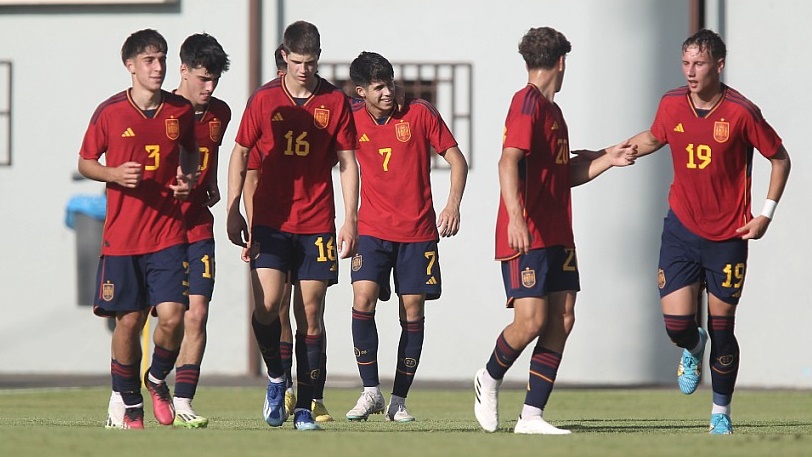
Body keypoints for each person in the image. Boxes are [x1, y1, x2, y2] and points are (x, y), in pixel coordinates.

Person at [580, 29, 790, 435]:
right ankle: (694, 347)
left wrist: (765, 214)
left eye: (699, 63)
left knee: (723, 328)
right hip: (681, 230)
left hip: (729, 236)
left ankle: (720, 413)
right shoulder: (672, 103)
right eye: (686, 63)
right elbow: (653, 137)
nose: (690, 72)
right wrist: (606, 154)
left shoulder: (741, 112)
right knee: (677, 326)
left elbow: (780, 159)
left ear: (719, 65)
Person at [472, 27, 635, 435]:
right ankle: (488, 376)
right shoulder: (526, 103)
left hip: (558, 232)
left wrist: (608, 158)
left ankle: (531, 416)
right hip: (527, 232)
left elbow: (565, 175)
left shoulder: (554, 113)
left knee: (562, 319)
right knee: (531, 321)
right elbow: (507, 162)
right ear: (561, 62)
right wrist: (515, 217)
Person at [226, 21, 358, 431]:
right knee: (268, 307)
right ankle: (276, 377)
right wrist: (233, 208)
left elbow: (348, 161)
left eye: (311, 62)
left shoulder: (334, 101)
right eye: (297, 61)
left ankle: (304, 406)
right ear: (284, 56)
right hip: (271, 222)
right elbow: (240, 152)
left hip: (316, 222)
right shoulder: (264, 99)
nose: (303, 69)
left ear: (318, 58)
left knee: (310, 313)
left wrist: (350, 218)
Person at [78, 28, 198, 430]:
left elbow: (191, 153)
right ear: (130, 65)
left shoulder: (180, 111)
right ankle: (129, 401)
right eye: (149, 60)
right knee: (128, 321)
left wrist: (188, 179)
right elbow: (85, 162)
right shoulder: (110, 112)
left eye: (162, 58)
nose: (158, 67)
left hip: (167, 234)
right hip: (123, 238)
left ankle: (157, 378)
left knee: (173, 316)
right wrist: (113, 174)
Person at [344, 51, 468, 422]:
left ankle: (398, 400)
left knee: (412, 310)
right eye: (378, 87)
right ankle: (370, 391)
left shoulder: (419, 112)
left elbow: (457, 161)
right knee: (362, 298)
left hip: (417, 233)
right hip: (372, 230)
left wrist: (452, 205)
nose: (387, 93)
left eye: (390, 84)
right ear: (361, 91)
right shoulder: (349, 117)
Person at [171, 32, 232, 428]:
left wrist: (210, 181)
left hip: (197, 226)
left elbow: (212, 152)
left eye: (215, 80)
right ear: (183, 70)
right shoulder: (161, 111)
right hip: (157, 228)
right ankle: (124, 397)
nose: (209, 87)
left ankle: (183, 401)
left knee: (197, 313)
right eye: (202, 78)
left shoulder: (220, 113)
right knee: (155, 316)